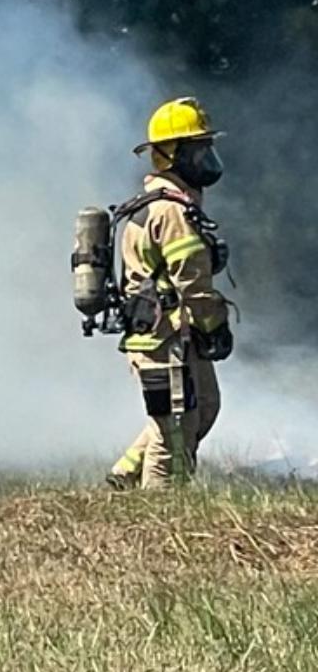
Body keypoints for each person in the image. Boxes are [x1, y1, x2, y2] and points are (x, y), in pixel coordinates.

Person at [105, 98, 233, 489]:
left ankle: (124, 475)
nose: (205, 159)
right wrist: (216, 327)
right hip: (165, 340)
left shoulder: (164, 204)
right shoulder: (170, 211)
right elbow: (192, 284)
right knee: (174, 432)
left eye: (207, 148)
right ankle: (163, 517)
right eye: (196, 150)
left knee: (202, 409)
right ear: (167, 156)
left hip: (174, 335)